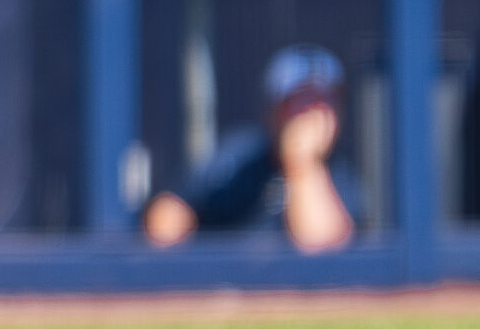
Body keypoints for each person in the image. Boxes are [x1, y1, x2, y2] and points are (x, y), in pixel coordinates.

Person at [141, 45, 358, 253]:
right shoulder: (241, 155)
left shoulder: (344, 176)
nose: (313, 115)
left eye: (325, 101)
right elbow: (167, 217)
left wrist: (302, 165)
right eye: (301, 101)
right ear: (274, 110)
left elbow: (324, 255)